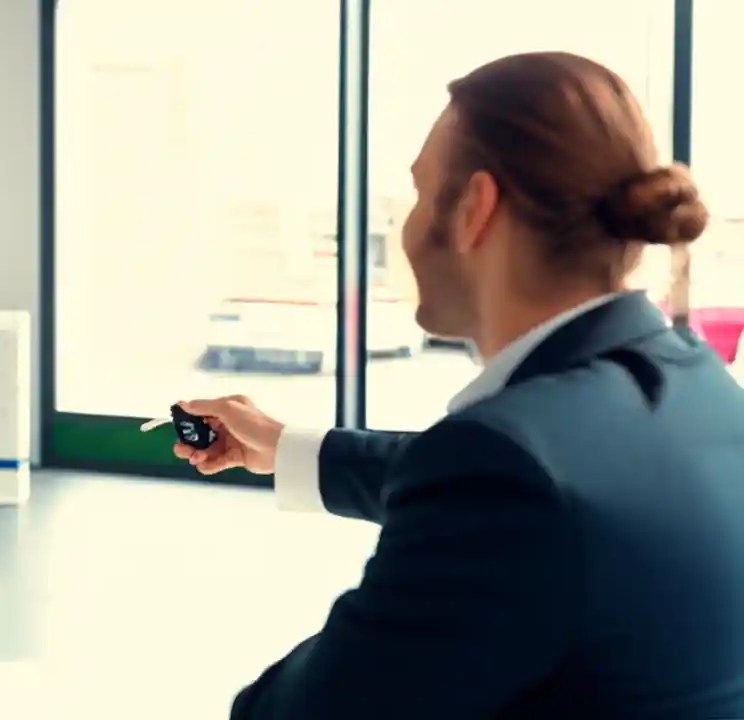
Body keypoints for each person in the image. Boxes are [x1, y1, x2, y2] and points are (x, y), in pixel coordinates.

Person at [176, 51, 744, 718]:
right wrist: (289, 446)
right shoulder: (699, 390)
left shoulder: (504, 467)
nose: (407, 230)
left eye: (419, 194)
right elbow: (537, 491)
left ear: (475, 208)